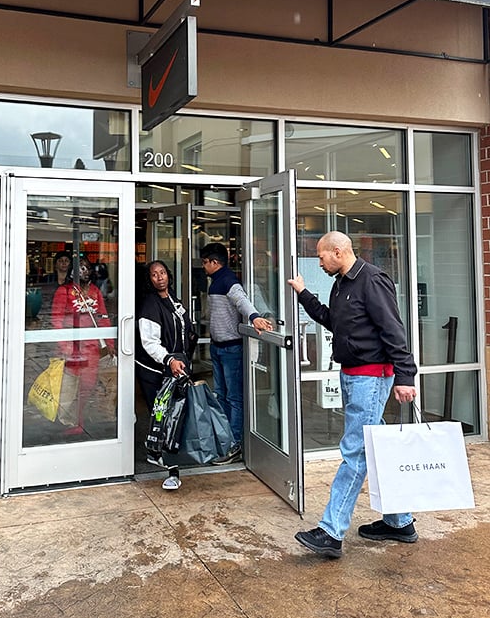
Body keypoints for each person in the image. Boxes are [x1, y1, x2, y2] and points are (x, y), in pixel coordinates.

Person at [288, 231, 418, 559]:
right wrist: (303, 294)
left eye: (321, 256)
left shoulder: (372, 280)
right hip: (352, 374)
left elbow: (393, 329)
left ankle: (331, 532)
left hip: (371, 377)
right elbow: (333, 321)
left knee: (355, 451)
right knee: (373, 449)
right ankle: (400, 522)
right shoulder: (341, 284)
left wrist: (405, 376)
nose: (319, 262)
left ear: (338, 251)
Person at [199, 242, 274, 464]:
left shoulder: (228, 281)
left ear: (214, 262)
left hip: (231, 348)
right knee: (221, 395)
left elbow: (242, 301)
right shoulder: (215, 282)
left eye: (205, 262)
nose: (203, 266)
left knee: (233, 398)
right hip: (218, 346)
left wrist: (255, 317)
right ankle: (224, 439)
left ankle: (235, 445)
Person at [135, 260, 196, 491]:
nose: (160, 277)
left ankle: (161, 453)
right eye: (154, 274)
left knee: (172, 415)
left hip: (176, 368)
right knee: (164, 417)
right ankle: (170, 466)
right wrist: (169, 359)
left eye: (162, 272)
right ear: (149, 279)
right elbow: (150, 343)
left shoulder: (173, 299)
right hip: (156, 370)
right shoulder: (150, 305)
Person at [51, 257, 116, 436]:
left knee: (87, 386)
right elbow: (56, 321)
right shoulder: (64, 291)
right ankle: (67, 422)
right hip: (72, 349)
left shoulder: (95, 291)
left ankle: (80, 421)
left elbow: (103, 318)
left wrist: (109, 343)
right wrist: (64, 346)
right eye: (80, 268)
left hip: (92, 349)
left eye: (87, 267)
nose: (84, 271)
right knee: (69, 388)